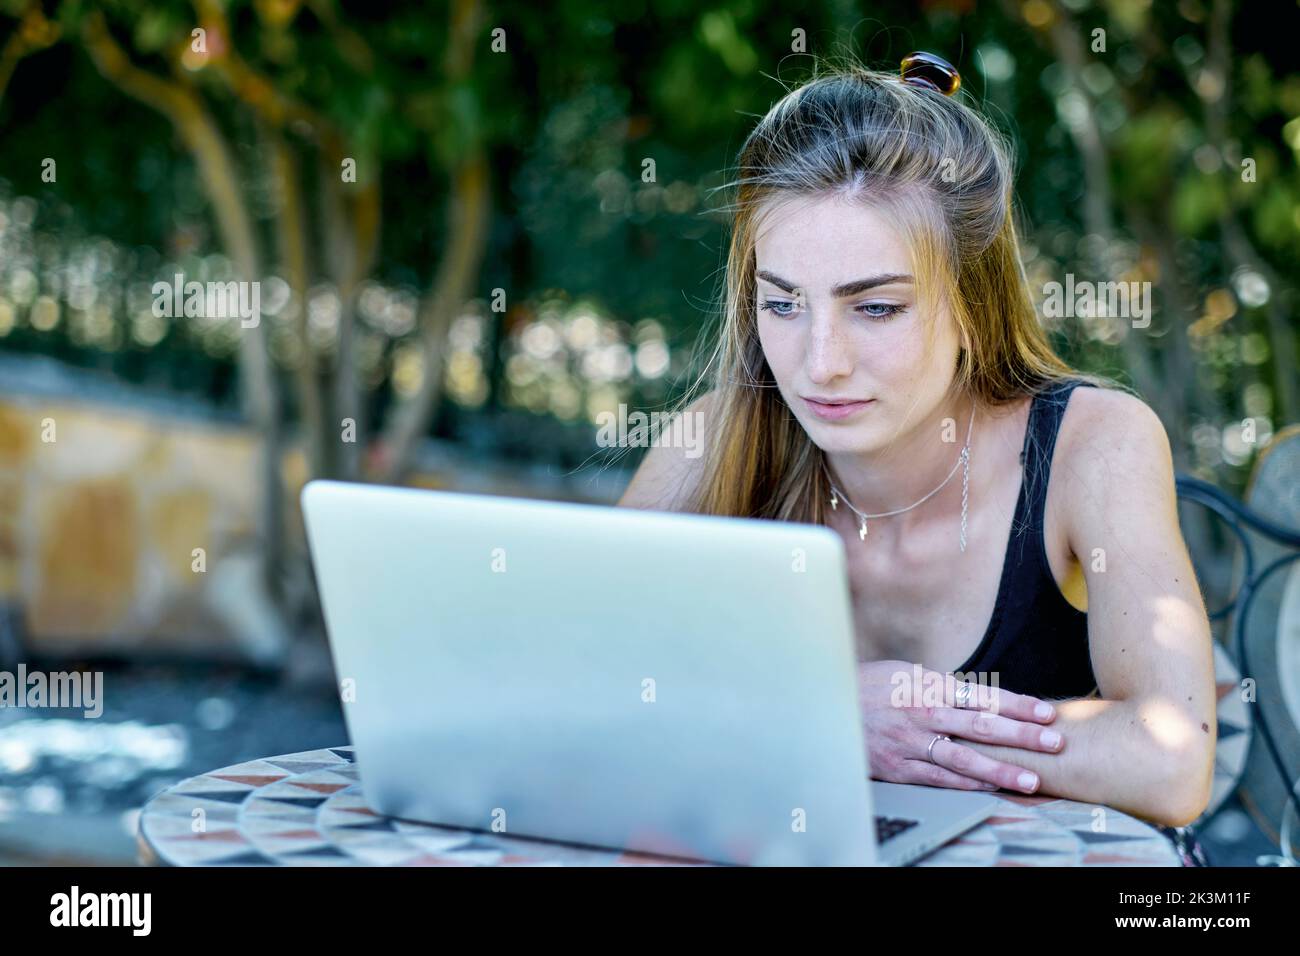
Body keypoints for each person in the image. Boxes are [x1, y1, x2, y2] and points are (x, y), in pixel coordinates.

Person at [618, 53, 1214, 828]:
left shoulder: (1094, 445)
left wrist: (880, 731)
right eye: (784, 303)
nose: (820, 364)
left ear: (974, 308)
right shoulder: (716, 437)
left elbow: (1170, 760)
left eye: (876, 308)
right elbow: (576, 681)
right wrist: (824, 716)